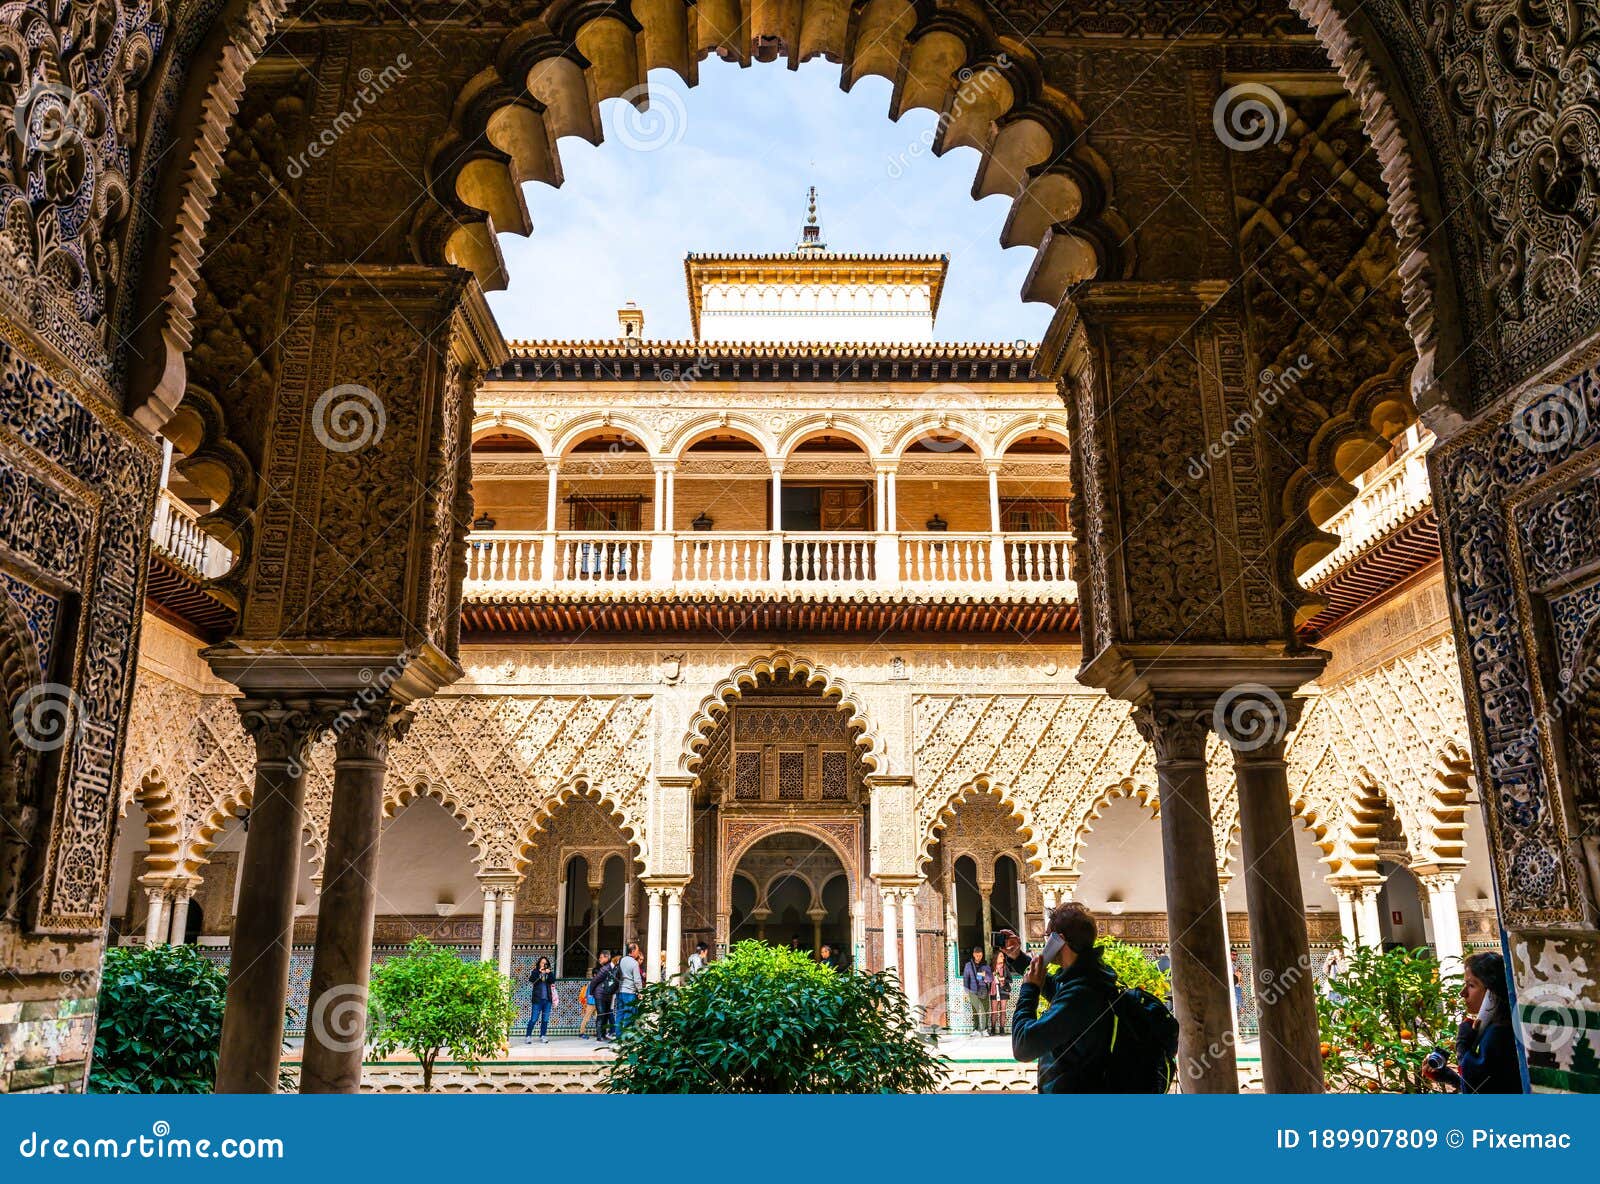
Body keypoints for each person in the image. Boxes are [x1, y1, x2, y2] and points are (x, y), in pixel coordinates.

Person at [1011, 903, 1119, 1093]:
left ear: (1058, 940)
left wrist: (1029, 989)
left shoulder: (1081, 994)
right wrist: (1018, 957)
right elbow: (1055, 988)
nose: (1045, 944)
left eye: (1047, 937)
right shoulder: (1089, 976)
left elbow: (1023, 1046)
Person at [1425, 951, 1521, 1094]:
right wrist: (1448, 1076)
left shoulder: (1499, 1033)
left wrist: (1462, 1045)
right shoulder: (1499, 1025)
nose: (1462, 993)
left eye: (1471, 985)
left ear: (1491, 993)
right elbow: (1486, 1084)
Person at [525, 956, 556, 1044]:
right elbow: (532, 980)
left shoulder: (549, 972)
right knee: (534, 1019)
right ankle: (528, 1036)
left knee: (545, 1019)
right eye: (542, 962)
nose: (544, 964)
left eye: (545, 963)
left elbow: (553, 981)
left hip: (547, 1000)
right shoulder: (535, 971)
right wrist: (539, 972)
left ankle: (543, 1035)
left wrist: (549, 973)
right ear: (539, 963)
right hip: (537, 1000)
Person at [962, 946, 992, 1035]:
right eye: (977, 955)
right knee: (974, 1011)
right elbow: (965, 979)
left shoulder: (986, 965)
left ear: (982, 955)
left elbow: (990, 979)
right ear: (974, 954)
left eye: (980, 955)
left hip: (983, 991)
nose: (979, 957)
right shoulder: (968, 965)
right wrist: (966, 992)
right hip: (972, 991)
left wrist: (985, 975)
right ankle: (975, 1029)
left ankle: (985, 1029)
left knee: (985, 1011)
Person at [589, 950, 617, 1042]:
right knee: (601, 1015)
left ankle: (603, 1034)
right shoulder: (605, 968)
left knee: (605, 1015)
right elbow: (594, 981)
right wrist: (591, 993)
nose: (599, 959)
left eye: (601, 957)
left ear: (607, 957)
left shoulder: (608, 968)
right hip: (600, 995)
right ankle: (599, 1036)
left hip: (606, 995)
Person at [617, 941, 644, 1034]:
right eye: (637, 951)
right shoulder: (634, 963)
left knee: (619, 1015)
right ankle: (627, 1036)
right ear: (632, 951)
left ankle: (619, 1036)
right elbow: (637, 980)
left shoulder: (621, 960)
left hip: (620, 991)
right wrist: (641, 992)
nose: (638, 953)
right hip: (629, 993)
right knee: (629, 1015)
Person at [989, 940, 1013, 1036]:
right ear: (996, 957)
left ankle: (1002, 1029)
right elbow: (986, 978)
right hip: (994, 991)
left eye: (1003, 956)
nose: (1003, 957)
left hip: (1004, 991)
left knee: (1003, 1011)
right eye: (1001, 956)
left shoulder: (1005, 967)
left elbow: (1010, 980)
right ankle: (993, 1029)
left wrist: (1004, 980)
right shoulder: (991, 967)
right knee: (994, 1011)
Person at [576, 966, 596, 1038]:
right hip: (592, 1003)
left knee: (597, 1018)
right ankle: (581, 1033)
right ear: (595, 974)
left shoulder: (591, 982)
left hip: (593, 1002)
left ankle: (599, 1032)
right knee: (586, 1018)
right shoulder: (593, 982)